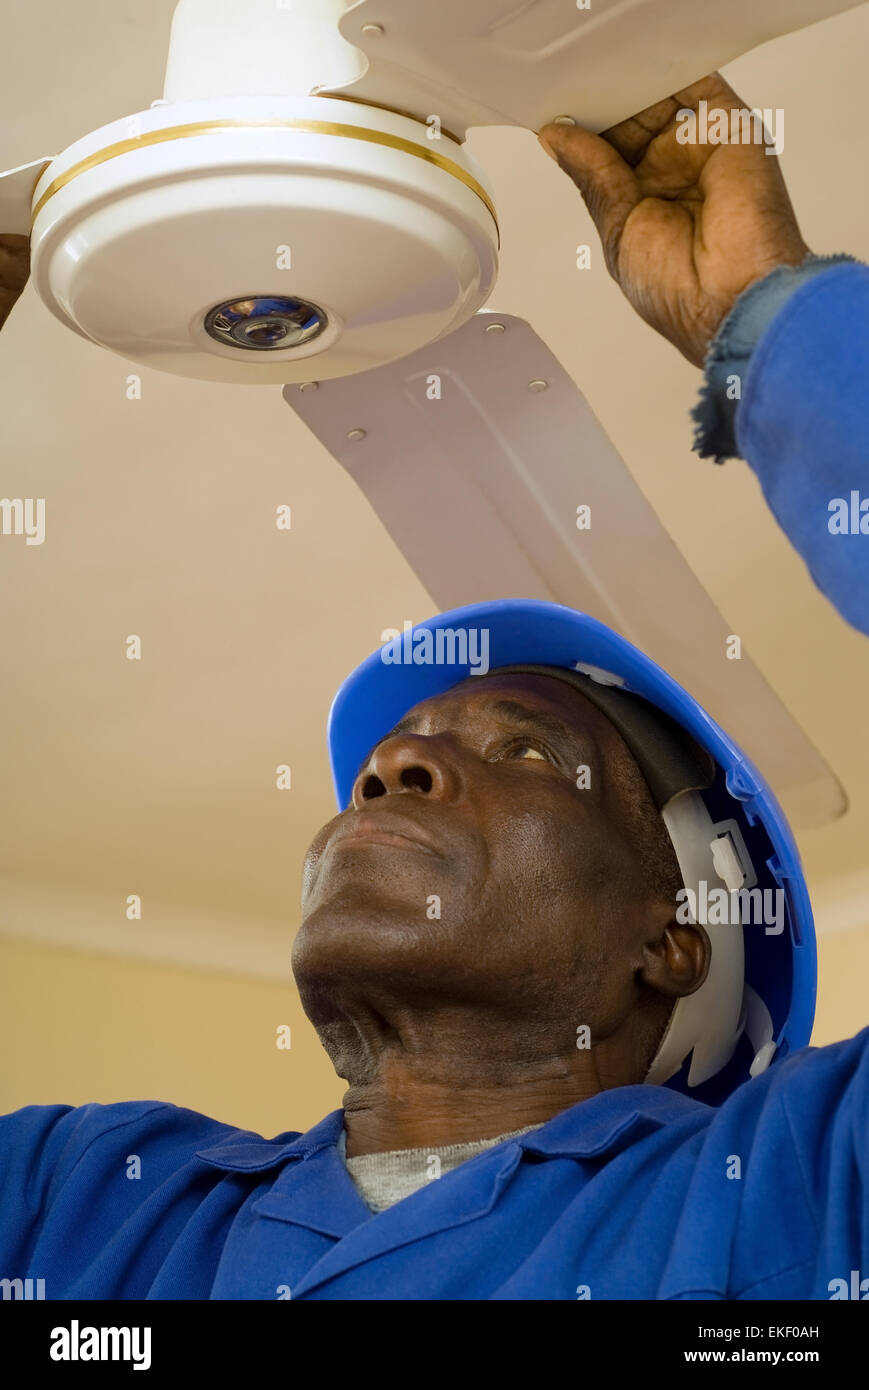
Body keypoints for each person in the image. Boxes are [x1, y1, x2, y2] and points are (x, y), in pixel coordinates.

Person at [0, 74, 867, 1301]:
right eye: (388, 759)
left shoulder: (793, 1189)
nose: (389, 771)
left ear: (670, 937)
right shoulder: (81, 1206)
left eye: (524, 756)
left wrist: (768, 323)